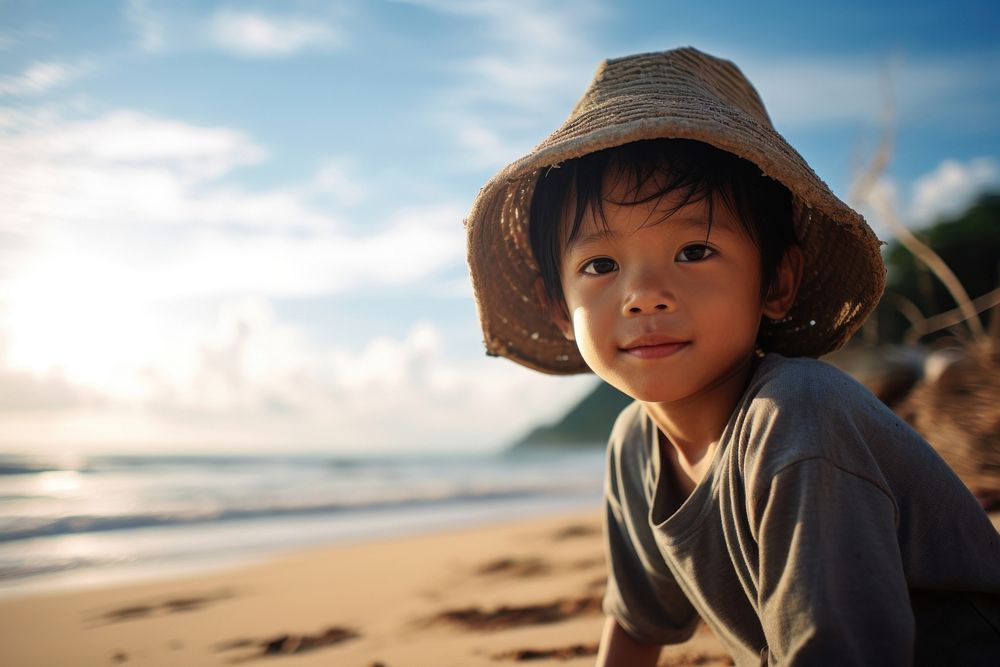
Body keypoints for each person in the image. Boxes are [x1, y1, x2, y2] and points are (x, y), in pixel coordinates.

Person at [465, 47, 1000, 665]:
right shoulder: (635, 445)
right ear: (558, 307)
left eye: (694, 252)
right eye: (600, 264)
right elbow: (637, 626)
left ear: (776, 282)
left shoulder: (797, 416)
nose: (643, 295)